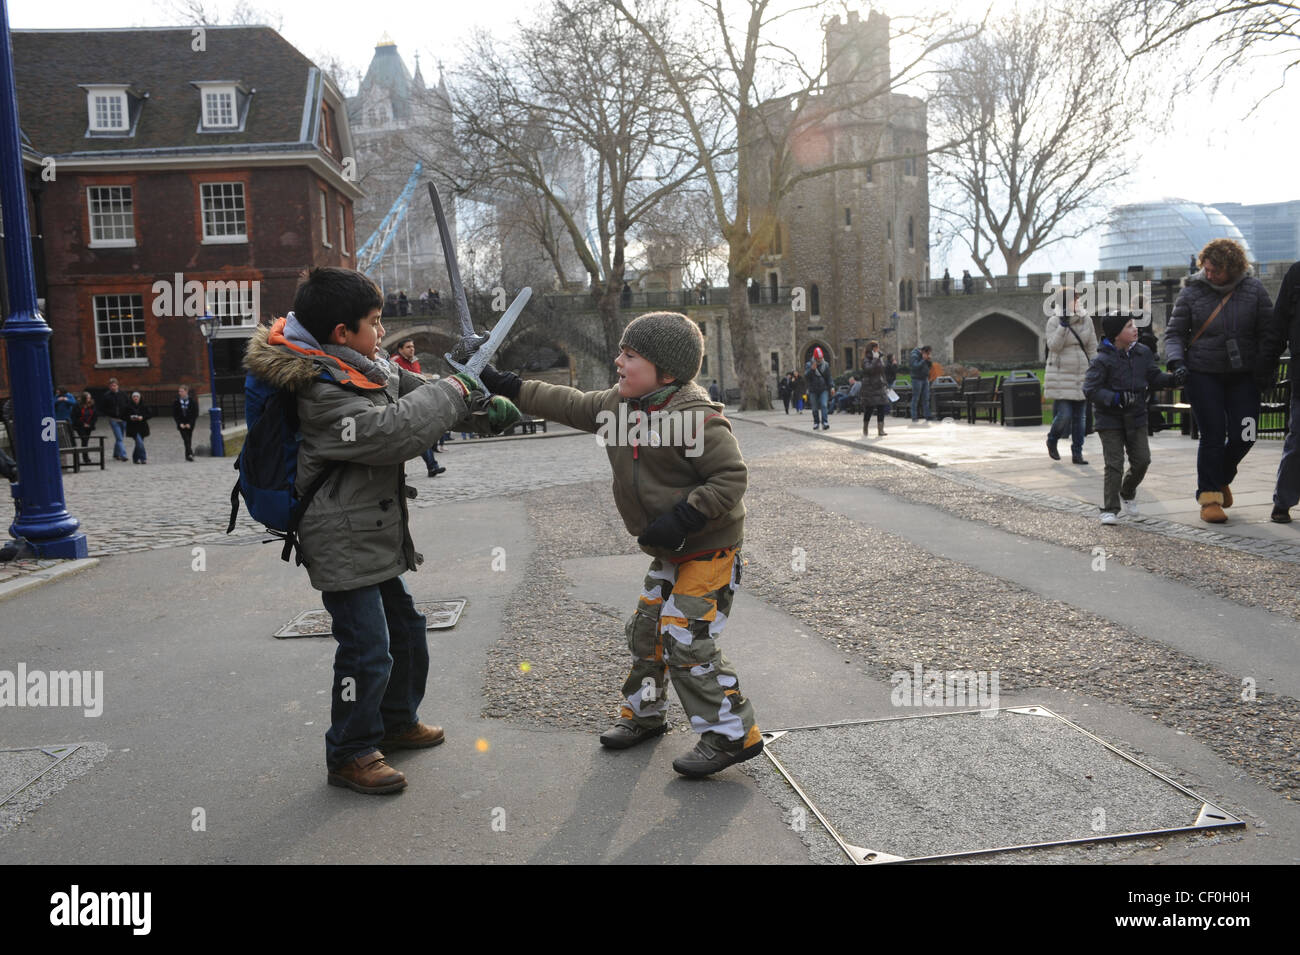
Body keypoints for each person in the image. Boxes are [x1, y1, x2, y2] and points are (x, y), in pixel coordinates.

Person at [241, 266, 521, 795]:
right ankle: (350, 750)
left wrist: (481, 409)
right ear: (341, 333)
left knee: (407, 630)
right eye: (373, 322)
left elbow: (424, 395)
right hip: (337, 535)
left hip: (372, 526)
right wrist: (457, 390)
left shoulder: (365, 365)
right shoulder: (316, 387)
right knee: (366, 649)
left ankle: (394, 721)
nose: (381, 331)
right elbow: (390, 431)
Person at [476, 311, 763, 778]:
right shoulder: (618, 408)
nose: (618, 361)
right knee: (646, 631)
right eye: (621, 352)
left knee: (684, 637)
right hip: (670, 550)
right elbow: (566, 401)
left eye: (630, 356)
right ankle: (645, 715)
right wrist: (505, 383)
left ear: (666, 372)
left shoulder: (696, 419)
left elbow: (731, 478)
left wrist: (688, 514)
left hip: (709, 549)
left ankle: (732, 734)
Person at [1165, 238, 1282, 523]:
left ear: (1232, 268)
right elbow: (1174, 333)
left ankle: (1220, 478)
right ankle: (1208, 498)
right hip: (1203, 373)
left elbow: (1269, 332)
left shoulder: (1253, 290)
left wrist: (1265, 367)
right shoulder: (1192, 291)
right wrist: (1176, 361)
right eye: (1205, 269)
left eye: (1214, 270)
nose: (1209, 274)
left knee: (1247, 432)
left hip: (1243, 374)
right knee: (1213, 435)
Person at [1084, 313, 1179, 524]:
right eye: (1129, 326)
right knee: (1114, 464)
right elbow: (1090, 389)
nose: (1135, 329)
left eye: (1134, 324)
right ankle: (1109, 509)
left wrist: (1172, 380)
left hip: (1136, 417)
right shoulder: (1102, 360)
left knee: (1142, 461)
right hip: (1109, 420)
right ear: (1117, 334)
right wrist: (1115, 397)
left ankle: (1127, 493)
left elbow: (1154, 376)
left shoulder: (1142, 353)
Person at [1044, 288, 1098, 465]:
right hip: (1061, 374)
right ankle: (1052, 439)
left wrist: (1096, 368)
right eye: (1073, 299)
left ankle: (1077, 453)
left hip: (1082, 373)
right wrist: (1063, 327)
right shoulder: (1054, 321)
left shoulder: (1086, 320)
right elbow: (1053, 346)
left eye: (1077, 298)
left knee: (1080, 417)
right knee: (1064, 414)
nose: (1077, 301)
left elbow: (1091, 346)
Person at [1267, 260, 1300, 522]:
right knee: (1297, 439)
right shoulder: (1296, 274)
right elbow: (1278, 325)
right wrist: (1266, 366)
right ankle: (1283, 500)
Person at [391, 339, 445, 476]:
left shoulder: (415, 361)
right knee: (409, 439)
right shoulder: (394, 362)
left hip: (416, 404)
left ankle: (431, 467)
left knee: (417, 437)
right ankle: (429, 467)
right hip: (401, 405)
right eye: (408, 347)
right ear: (400, 349)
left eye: (413, 346)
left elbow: (418, 378)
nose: (412, 349)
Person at [860, 341, 890, 436]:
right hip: (870, 387)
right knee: (869, 409)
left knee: (881, 407)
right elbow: (868, 369)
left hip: (879, 386)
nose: (878, 349)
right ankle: (865, 427)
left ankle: (880, 430)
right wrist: (875, 359)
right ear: (872, 349)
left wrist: (885, 382)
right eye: (876, 348)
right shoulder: (866, 359)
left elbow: (882, 372)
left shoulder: (879, 357)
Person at [99, 377, 130, 461]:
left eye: (115, 385)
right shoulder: (106, 396)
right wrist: (109, 413)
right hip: (113, 420)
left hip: (123, 419)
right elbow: (102, 408)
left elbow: (128, 404)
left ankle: (116, 454)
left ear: (118, 386)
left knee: (120, 438)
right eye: (112, 385)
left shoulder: (123, 394)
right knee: (119, 438)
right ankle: (123, 455)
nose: (113, 387)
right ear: (109, 386)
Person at [804, 347, 832, 430]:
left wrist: (832, 387)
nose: (820, 360)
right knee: (815, 407)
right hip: (813, 389)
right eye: (818, 358)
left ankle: (825, 422)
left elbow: (829, 377)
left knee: (824, 405)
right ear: (815, 358)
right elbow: (806, 376)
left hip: (823, 388)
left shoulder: (825, 364)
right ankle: (816, 422)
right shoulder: (809, 364)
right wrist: (812, 370)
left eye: (821, 358)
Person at [172, 385, 199, 461]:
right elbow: (175, 414)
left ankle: (188, 455)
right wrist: (180, 423)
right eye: (179, 391)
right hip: (181, 424)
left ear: (186, 391)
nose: (180, 393)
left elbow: (195, 414)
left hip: (190, 424)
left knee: (189, 438)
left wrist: (190, 423)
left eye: (181, 391)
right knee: (186, 439)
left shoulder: (192, 401)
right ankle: (190, 453)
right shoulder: (176, 402)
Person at [124, 392, 151, 464]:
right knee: (140, 442)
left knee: (138, 443)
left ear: (140, 398)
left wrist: (142, 417)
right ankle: (143, 458)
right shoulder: (128, 406)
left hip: (142, 427)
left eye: (137, 397)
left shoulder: (144, 406)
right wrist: (130, 418)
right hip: (133, 428)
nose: (135, 398)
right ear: (132, 398)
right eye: (134, 397)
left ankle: (135, 458)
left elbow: (149, 414)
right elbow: (123, 416)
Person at [908, 345, 933, 424]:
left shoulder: (924, 356)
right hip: (916, 379)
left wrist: (928, 361)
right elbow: (915, 367)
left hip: (925, 378)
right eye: (928, 353)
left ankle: (927, 416)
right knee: (916, 398)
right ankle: (914, 417)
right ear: (923, 352)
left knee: (926, 398)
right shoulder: (914, 355)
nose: (928, 355)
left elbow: (929, 366)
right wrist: (923, 359)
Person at [73, 391, 98, 465]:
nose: (89, 399)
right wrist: (83, 424)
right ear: (84, 398)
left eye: (90, 397)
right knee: (84, 440)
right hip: (80, 426)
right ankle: (86, 457)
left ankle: (85, 457)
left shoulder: (92, 405)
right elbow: (74, 417)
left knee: (86, 441)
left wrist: (90, 424)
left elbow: (95, 415)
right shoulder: (77, 405)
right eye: (88, 398)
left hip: (89, 426)